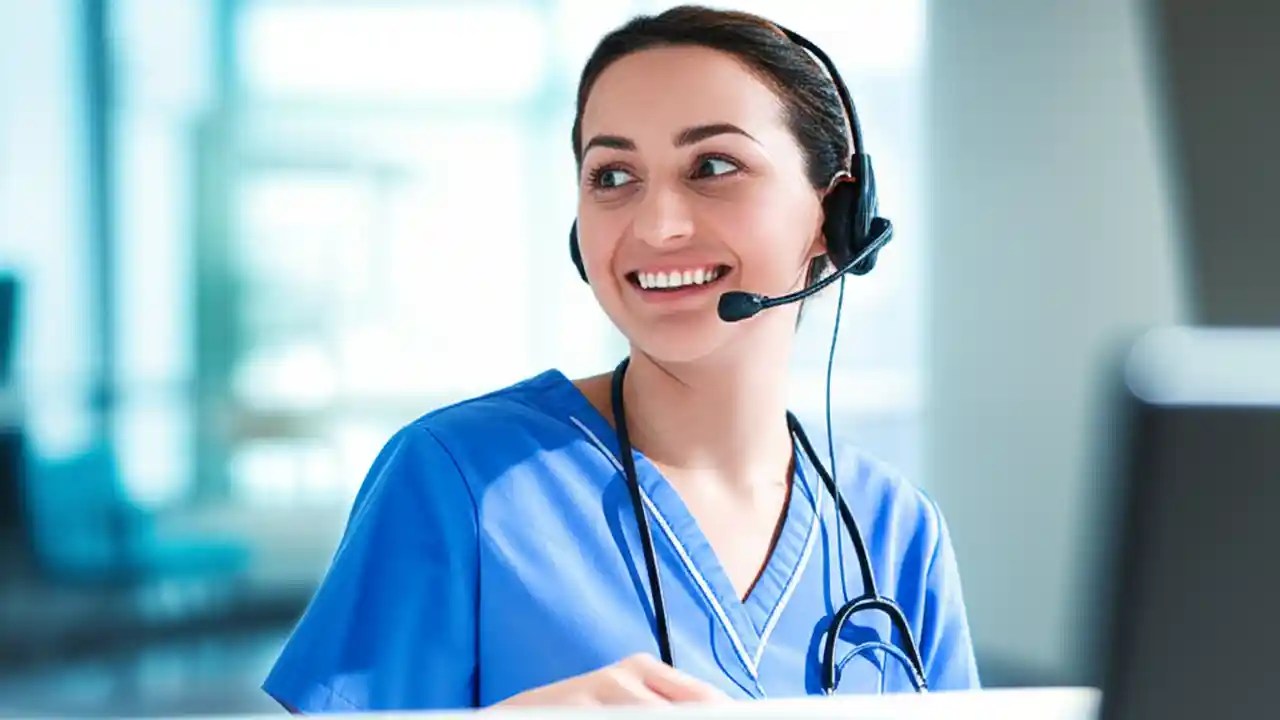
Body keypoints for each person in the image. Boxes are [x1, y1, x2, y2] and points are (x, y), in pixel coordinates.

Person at [262, 5, 980, 712]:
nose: (658, 225)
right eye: (612, 176)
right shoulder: (459, 479)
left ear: (836, 215)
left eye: (714, 165)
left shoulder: (893, 529)